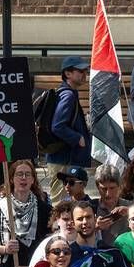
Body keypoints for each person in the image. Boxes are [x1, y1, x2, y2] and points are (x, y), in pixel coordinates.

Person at [46, 55, 93, 201]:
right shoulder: (68, 95)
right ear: (67, 74)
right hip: (64, 159)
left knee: (66, 202)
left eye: (85, 71)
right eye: (80, 71)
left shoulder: (68, 93)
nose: (84, 74)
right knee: (61, 203)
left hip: (63, 158)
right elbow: (58, 126)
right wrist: (77, 138)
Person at [70, 201, 131, 267]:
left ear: (95, 219)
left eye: (88, 217)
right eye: (80, 219)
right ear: (73, 224)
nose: (85, 222)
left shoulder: (113, 254)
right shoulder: (67, 254)